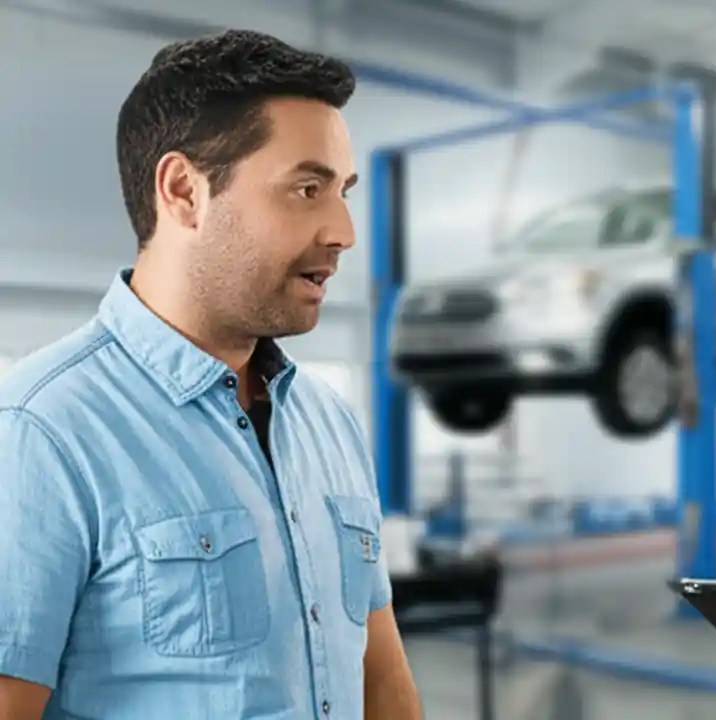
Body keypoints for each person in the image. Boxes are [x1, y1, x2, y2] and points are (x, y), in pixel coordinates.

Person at [0, 30, 422, 718]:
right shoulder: (40, 432)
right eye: (307, 188)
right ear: (184, 192)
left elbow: (380, 674)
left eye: (342, 191)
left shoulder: (330, 421)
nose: (344, 228)